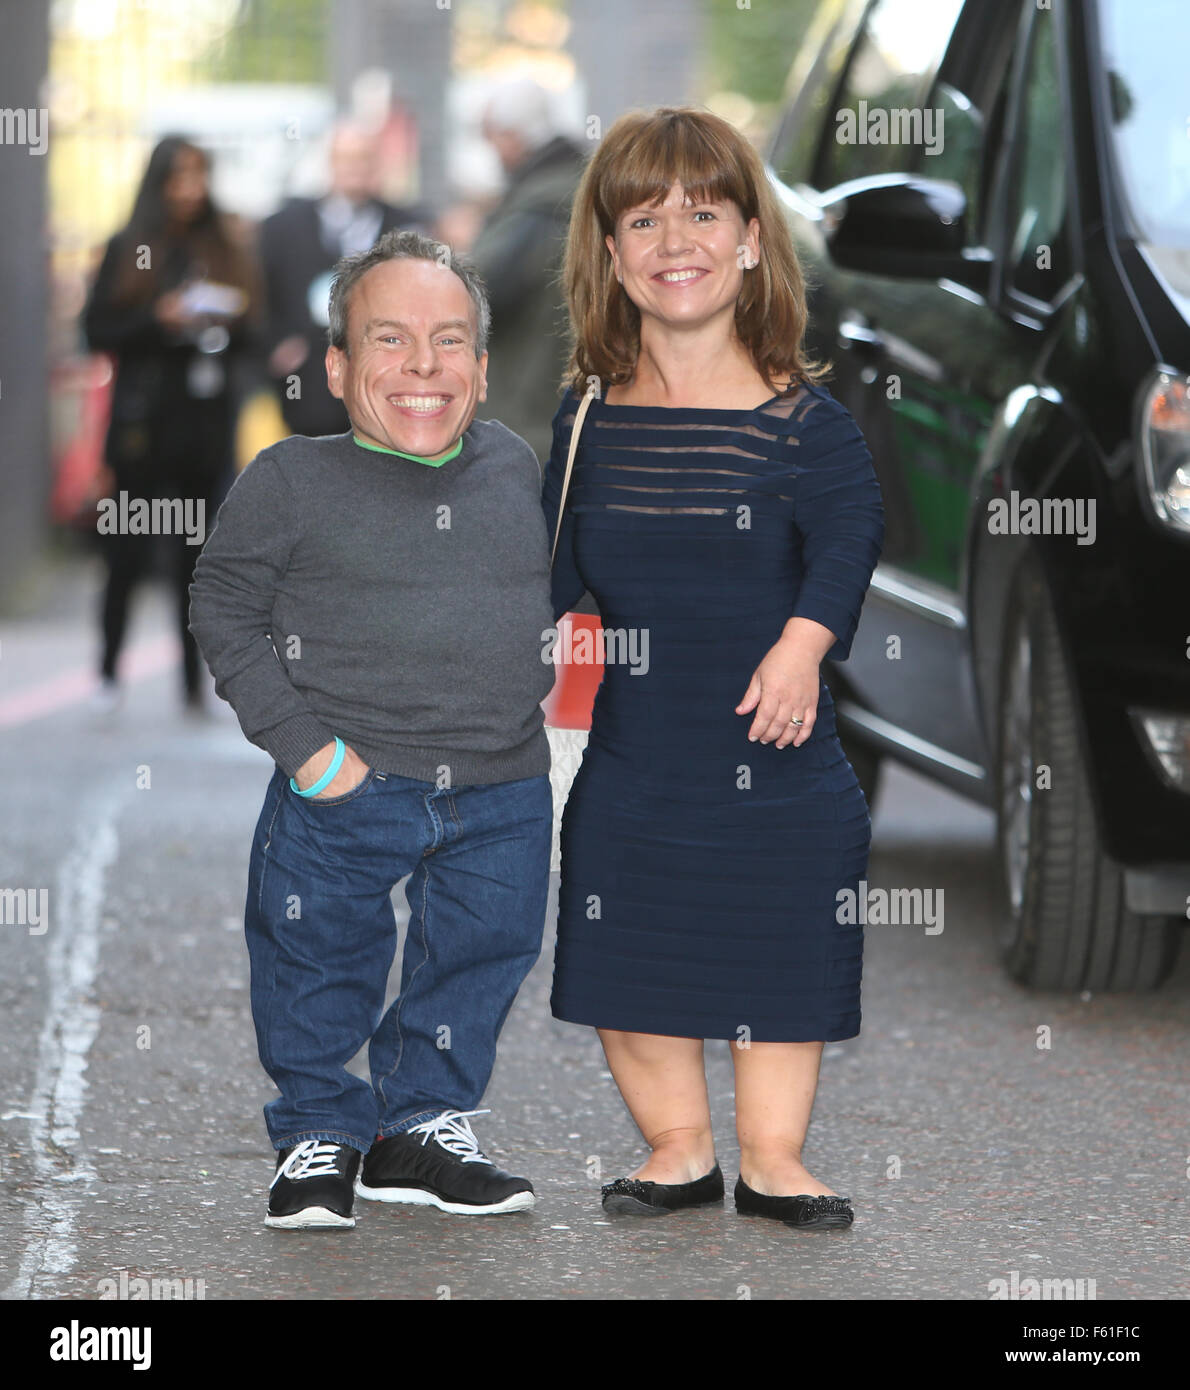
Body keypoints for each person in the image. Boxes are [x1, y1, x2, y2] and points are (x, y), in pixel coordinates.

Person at [543, 107, 885, 1230]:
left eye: (702, 211)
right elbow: (538, 579)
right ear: (609, 254)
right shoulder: (585, 420)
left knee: (782, 935)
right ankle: (676, 1149)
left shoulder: (805, 425)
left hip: (776, 756)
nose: (672, 237)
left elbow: (848, 537)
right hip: (639, 758)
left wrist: (802, 643)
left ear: (749, 240)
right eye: (642, 217)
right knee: (624, 932)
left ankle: (774, 1157)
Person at [189, 229, 555, 1230]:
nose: (424, 366)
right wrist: (304, 749)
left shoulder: (514, 467)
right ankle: (318, 1129)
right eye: (389, 341)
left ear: (481, 367)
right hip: (344, 775)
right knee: (317, 955)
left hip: (499, 780)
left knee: (482, 950)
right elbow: (223, 609)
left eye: (449, 342)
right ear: (340, 367)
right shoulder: (289, 481)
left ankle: (418, 1125)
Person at [83, 134, 258, 710]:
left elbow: (256, 331)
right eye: (179, 178)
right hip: (139, 429)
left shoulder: (223, 246)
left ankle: (191, 686)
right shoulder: (129, 246)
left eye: (198, 176)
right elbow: (97, 332)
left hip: (201, 429)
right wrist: (159, 319)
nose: (190, 191)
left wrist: (221, 319)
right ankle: (108, 673)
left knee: (195, 558)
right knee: (125, 555)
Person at [257, 120, 431, 437]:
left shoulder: (410, 227)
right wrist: (277, 347)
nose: (356, 169)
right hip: (308, 391)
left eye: (365, 158)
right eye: (347, 159)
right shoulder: (282, 228)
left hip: (385, 393)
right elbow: (263, 296)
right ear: (330, 163)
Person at [468, 76, 586, 461]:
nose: (492, 151)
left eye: (492, 136)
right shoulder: (582, 188)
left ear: (514, 135)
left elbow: (472, 294)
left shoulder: (538, 207)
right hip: (571, 410)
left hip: (526, 418)